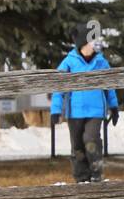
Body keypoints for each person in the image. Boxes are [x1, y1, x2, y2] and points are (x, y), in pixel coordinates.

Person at [51, 20, 119, 184]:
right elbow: (58, 86)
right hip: (75, 112)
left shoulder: (101, 62)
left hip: (95, 112)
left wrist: (114, 107)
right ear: (82, 43)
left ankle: (96, 173)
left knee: (91, 139)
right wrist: (55, 110)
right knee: (77, 146)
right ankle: (81, 178)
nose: (94, 45)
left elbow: (110, 87)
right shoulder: (69, 62)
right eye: (90, 41)